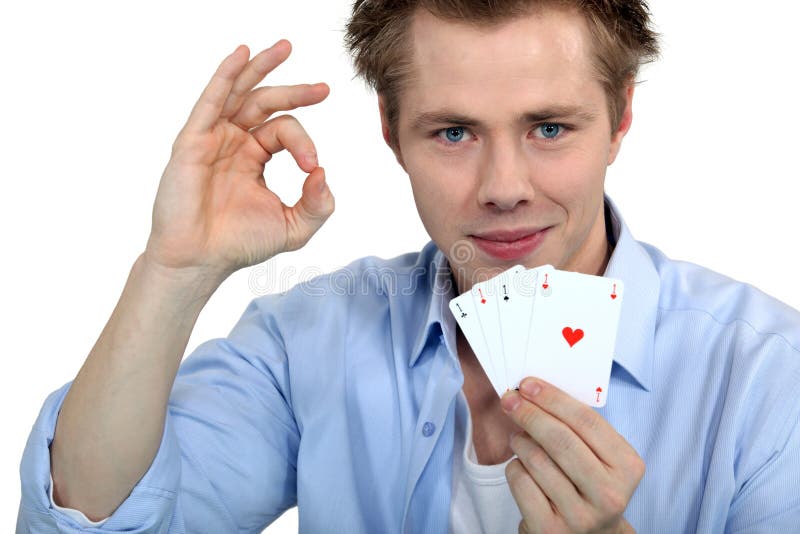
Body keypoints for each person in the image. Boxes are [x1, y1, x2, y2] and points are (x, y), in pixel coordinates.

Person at [16, 0, 800, 532]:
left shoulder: (769, 378)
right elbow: (92, 518)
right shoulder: (307, 340)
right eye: (453, 133)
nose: (504, 190)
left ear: (621, 117)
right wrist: (174, 269)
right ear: (390, 133)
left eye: (550, 128)